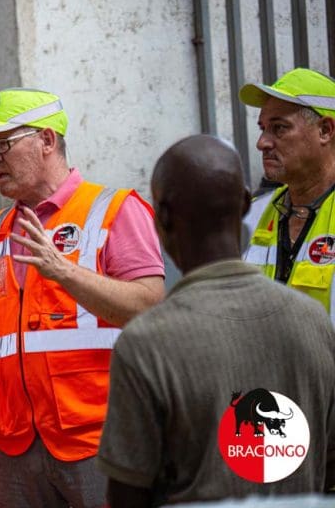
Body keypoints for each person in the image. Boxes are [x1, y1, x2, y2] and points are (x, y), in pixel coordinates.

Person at [0, 88, 165, 507]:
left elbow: (152, 307)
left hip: (99, 442)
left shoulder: (114, 209)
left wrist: (64, 271)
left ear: (46, 140)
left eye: (3, 143)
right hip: (16, 445)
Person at [97, 134, 335, 506]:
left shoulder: (147, 342)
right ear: (244, 203)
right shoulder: (313, 321)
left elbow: (128, 494)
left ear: (161, 217)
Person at [240, 68, 335, 318]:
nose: (262, 142)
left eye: (279, 128)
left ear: (325, 131)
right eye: (263, 128)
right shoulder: (250, 215)